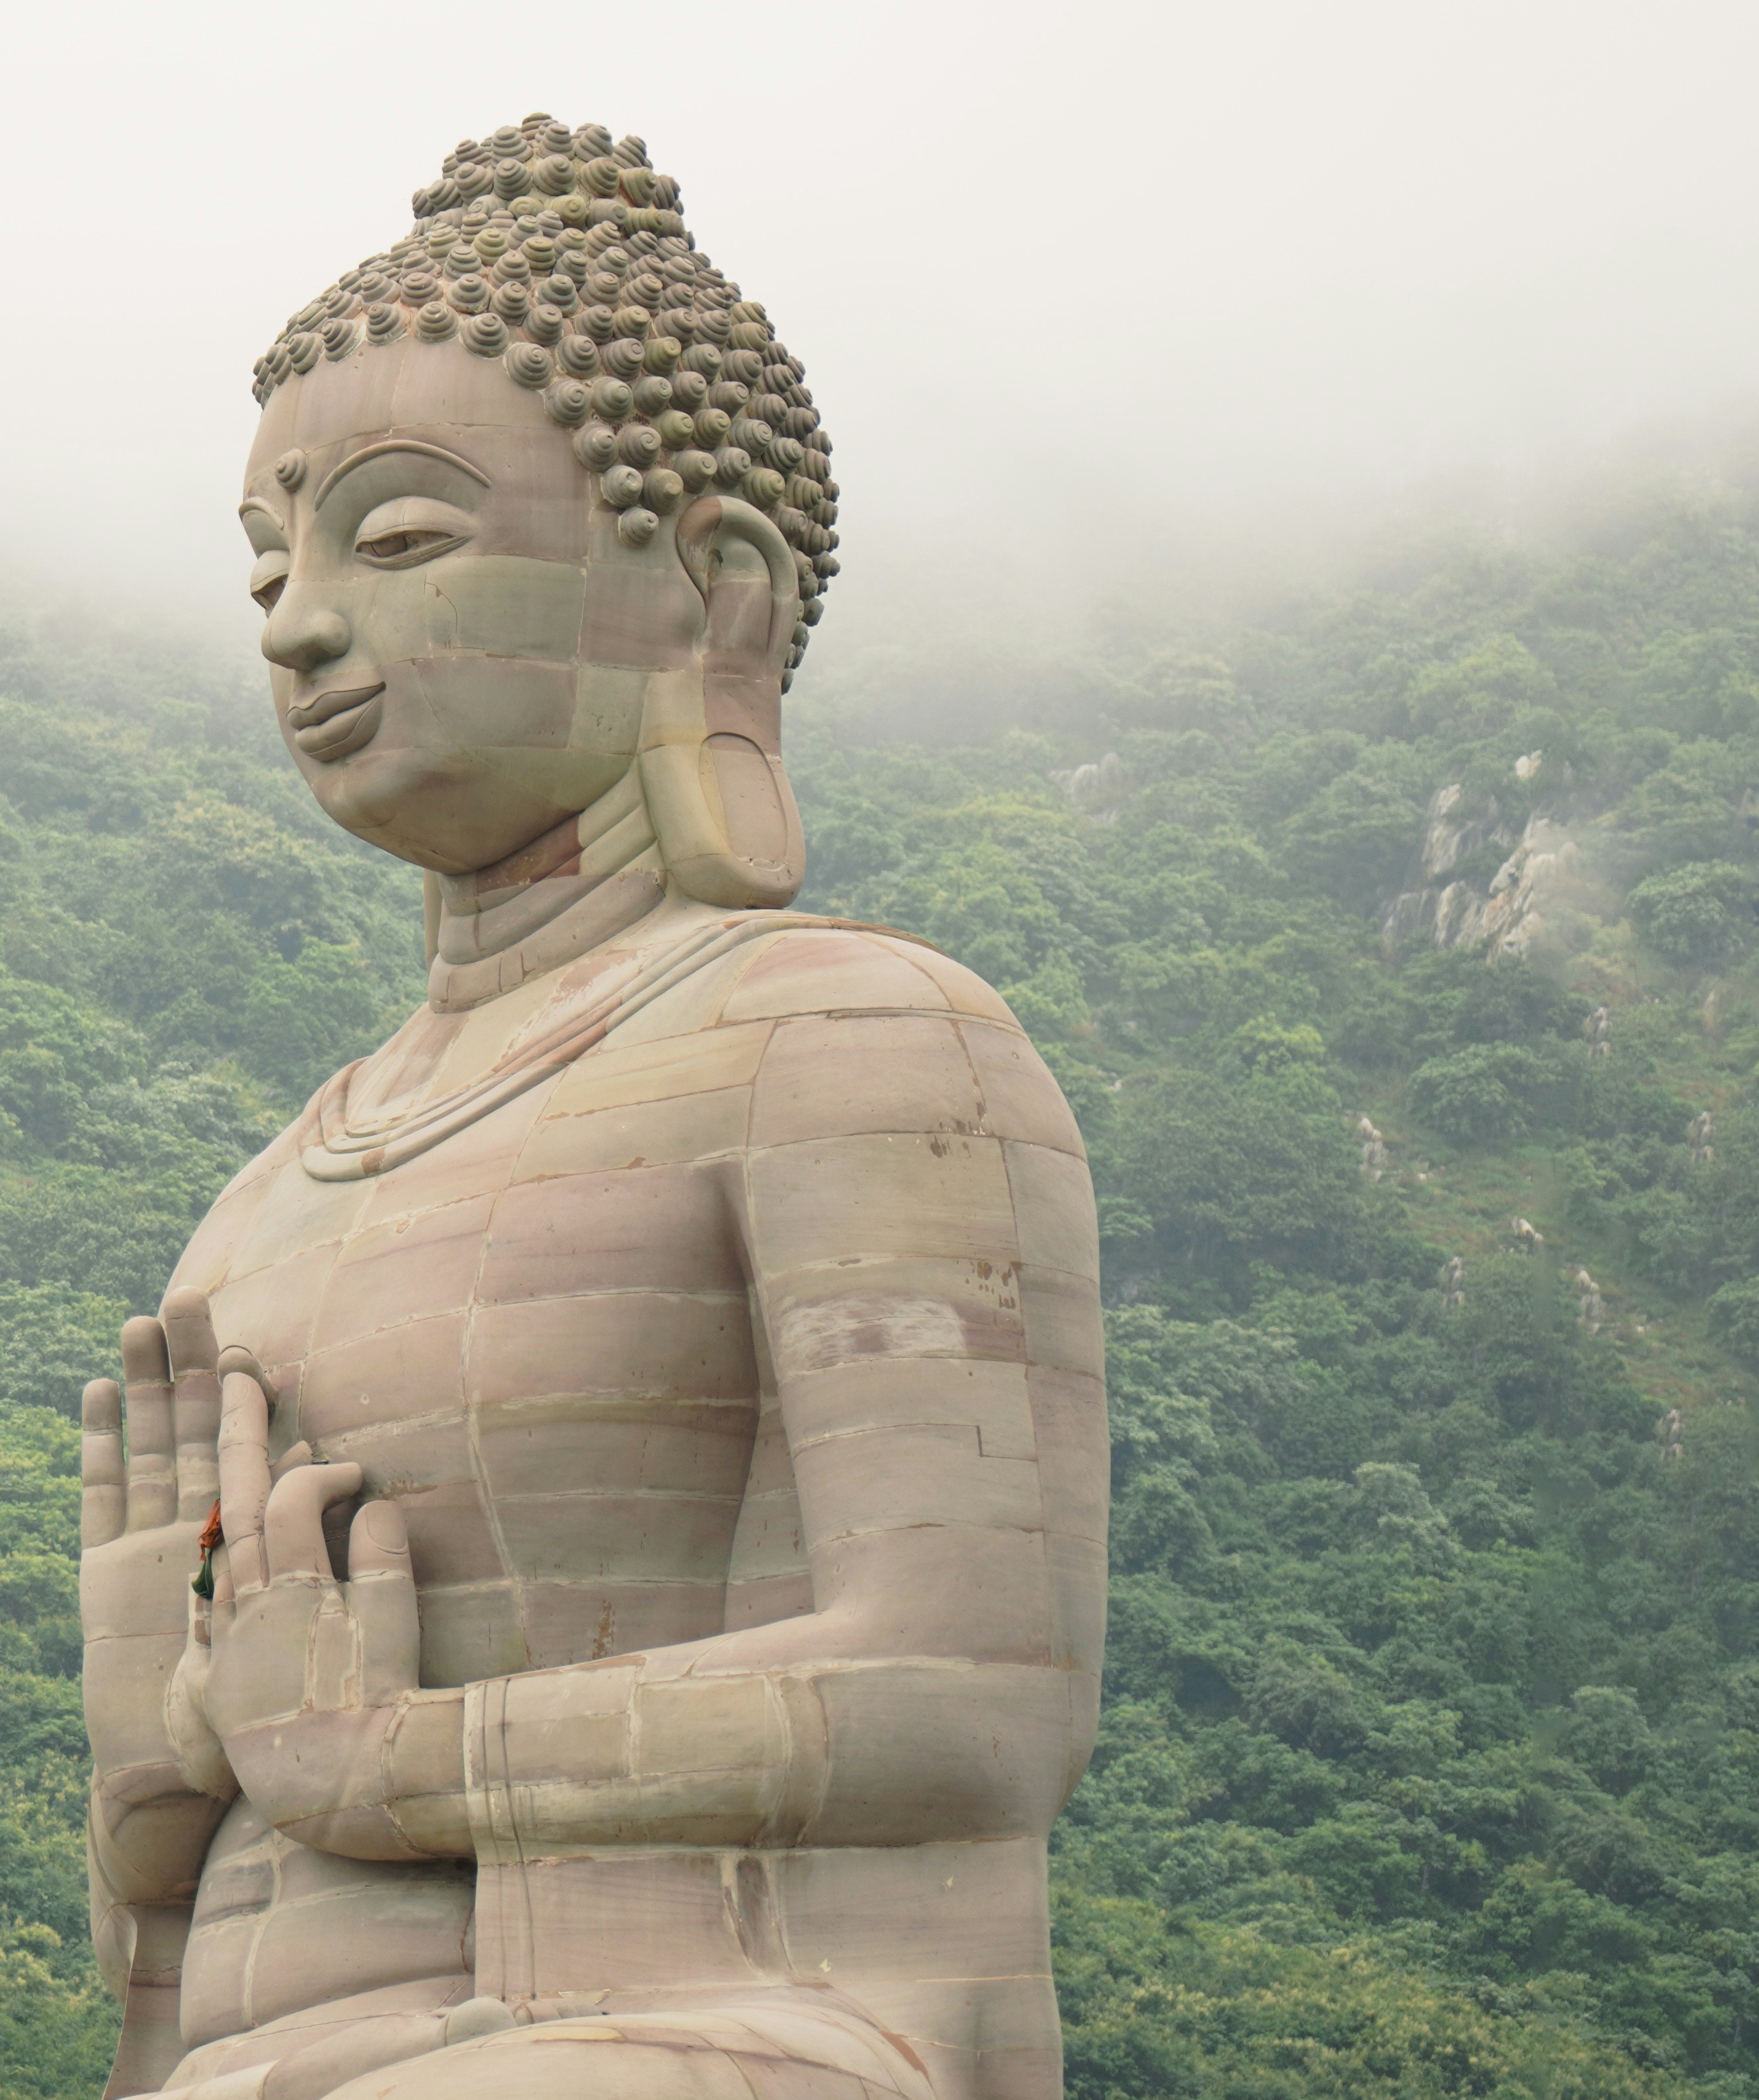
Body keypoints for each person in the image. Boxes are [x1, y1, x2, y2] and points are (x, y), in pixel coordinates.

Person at [79, 119, 1104, 2100]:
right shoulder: (258, 1206)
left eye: (396, 540)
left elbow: (978, 1697)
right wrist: (157, 1742)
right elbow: (165, 1913)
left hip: (709, 2027)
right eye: (271, 564)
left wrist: (391, 1759)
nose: (297, 623)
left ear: (711, 594)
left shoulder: (849, 1041)